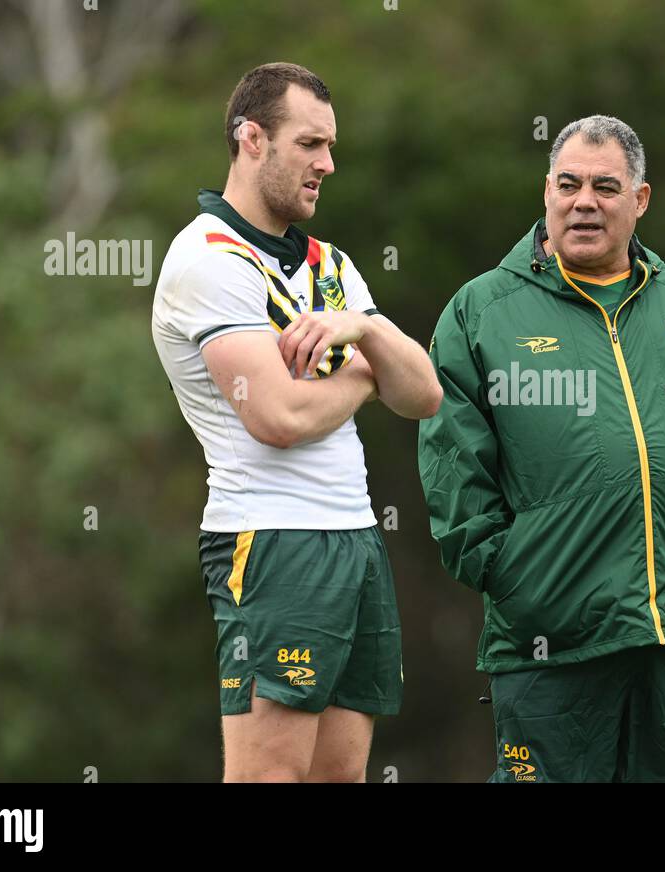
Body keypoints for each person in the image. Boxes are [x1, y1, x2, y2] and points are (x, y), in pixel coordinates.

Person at [418, 115, 665, 782]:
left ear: (640, 200)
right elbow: (451, 458)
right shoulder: (482, 311)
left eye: (606, 187)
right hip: (547, 642)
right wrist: (506, 569)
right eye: (569, 184)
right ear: (546, 193)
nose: (584, 201)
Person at [151, 63, 441, 782]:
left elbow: (425, 393)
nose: (328, 165)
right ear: (252, 139)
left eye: (331, 146)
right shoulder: (209, 259)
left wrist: (365, 336)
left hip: (354, 538)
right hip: (274, 540)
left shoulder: (330, 266)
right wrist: (367, 368)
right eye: (310, 144)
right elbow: (278, 416)